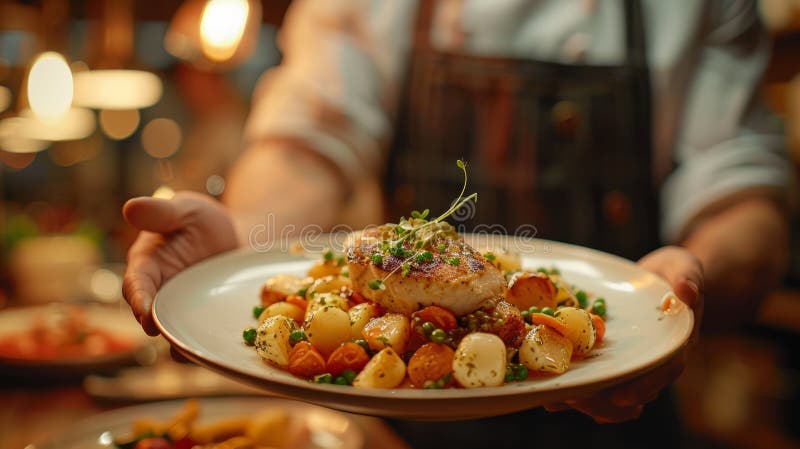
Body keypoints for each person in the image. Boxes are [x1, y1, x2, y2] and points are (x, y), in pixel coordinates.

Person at [122, 0, 792, 442]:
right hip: (398, 431)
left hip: (624, 416)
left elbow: (745, 197)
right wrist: (240, 240)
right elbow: (308, 144)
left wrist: (683, 286)